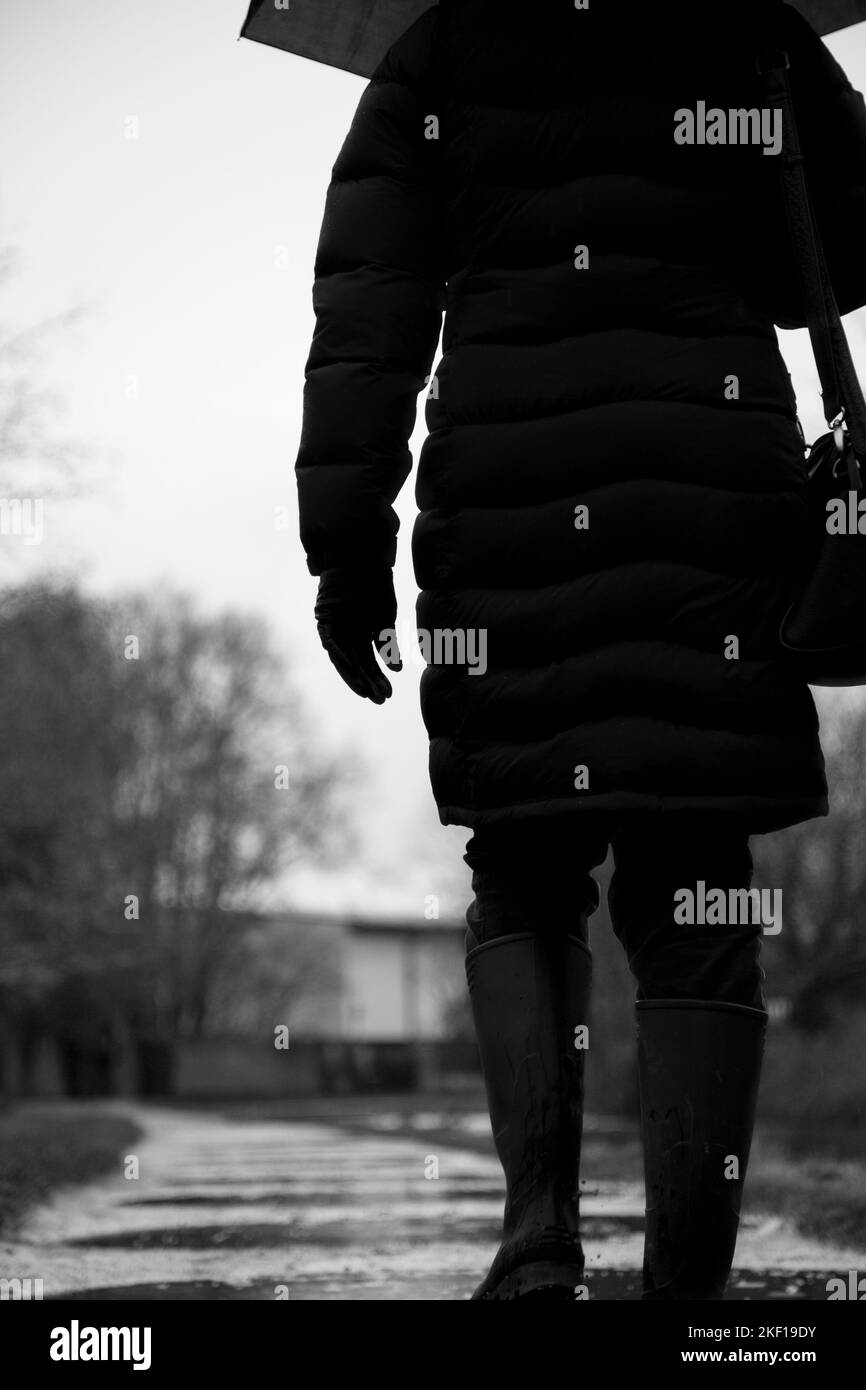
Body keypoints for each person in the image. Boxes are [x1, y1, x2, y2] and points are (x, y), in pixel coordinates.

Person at [294, 0, 866, 1299]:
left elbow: (366, 319)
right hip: (708, 501)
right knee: (696, 887)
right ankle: (685, 1294)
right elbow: (830, 255)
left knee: (524, 864)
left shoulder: (436, 52)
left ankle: (537, 1240)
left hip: (504, 506)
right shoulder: (743, 32)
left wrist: (344, 550)